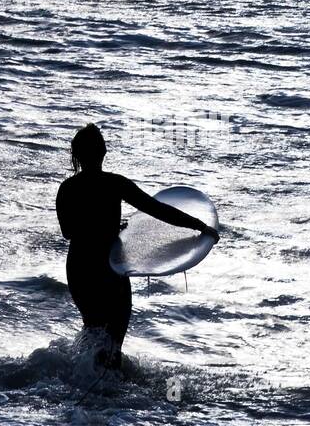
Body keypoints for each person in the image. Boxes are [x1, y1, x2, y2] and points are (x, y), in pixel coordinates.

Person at [56, 123, 218, 367]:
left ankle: (83, 376)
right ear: (103, 152)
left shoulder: (66, 189)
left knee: (93, 329)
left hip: (79, 269)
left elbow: (69, 232)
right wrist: (199, 226)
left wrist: (102, 226)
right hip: (108, 268)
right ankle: (110, 390)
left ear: (77, 155)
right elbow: (156, 209)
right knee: (113, 341)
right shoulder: (115, 184)